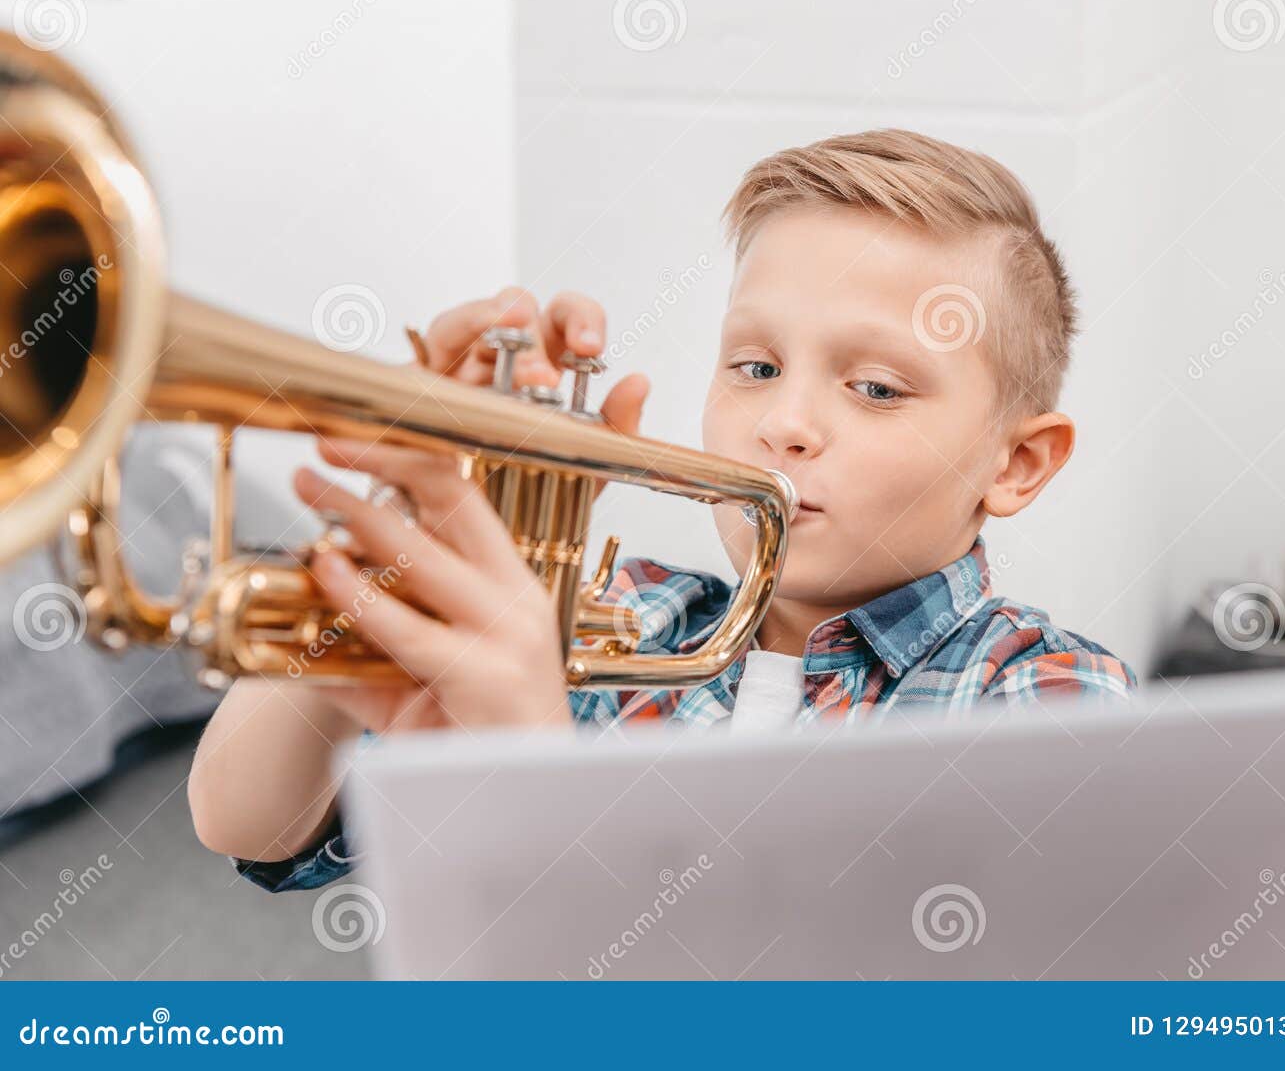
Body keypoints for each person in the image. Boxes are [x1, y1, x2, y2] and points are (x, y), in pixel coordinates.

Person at [187, 129, 1137, 892]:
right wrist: (398, 522)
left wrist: (539, 773)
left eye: (878, 388)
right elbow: (249, 824)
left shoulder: (1046, 702)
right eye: (755, 368)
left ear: (1016, 464)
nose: (787, 424)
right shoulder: (621, 619)